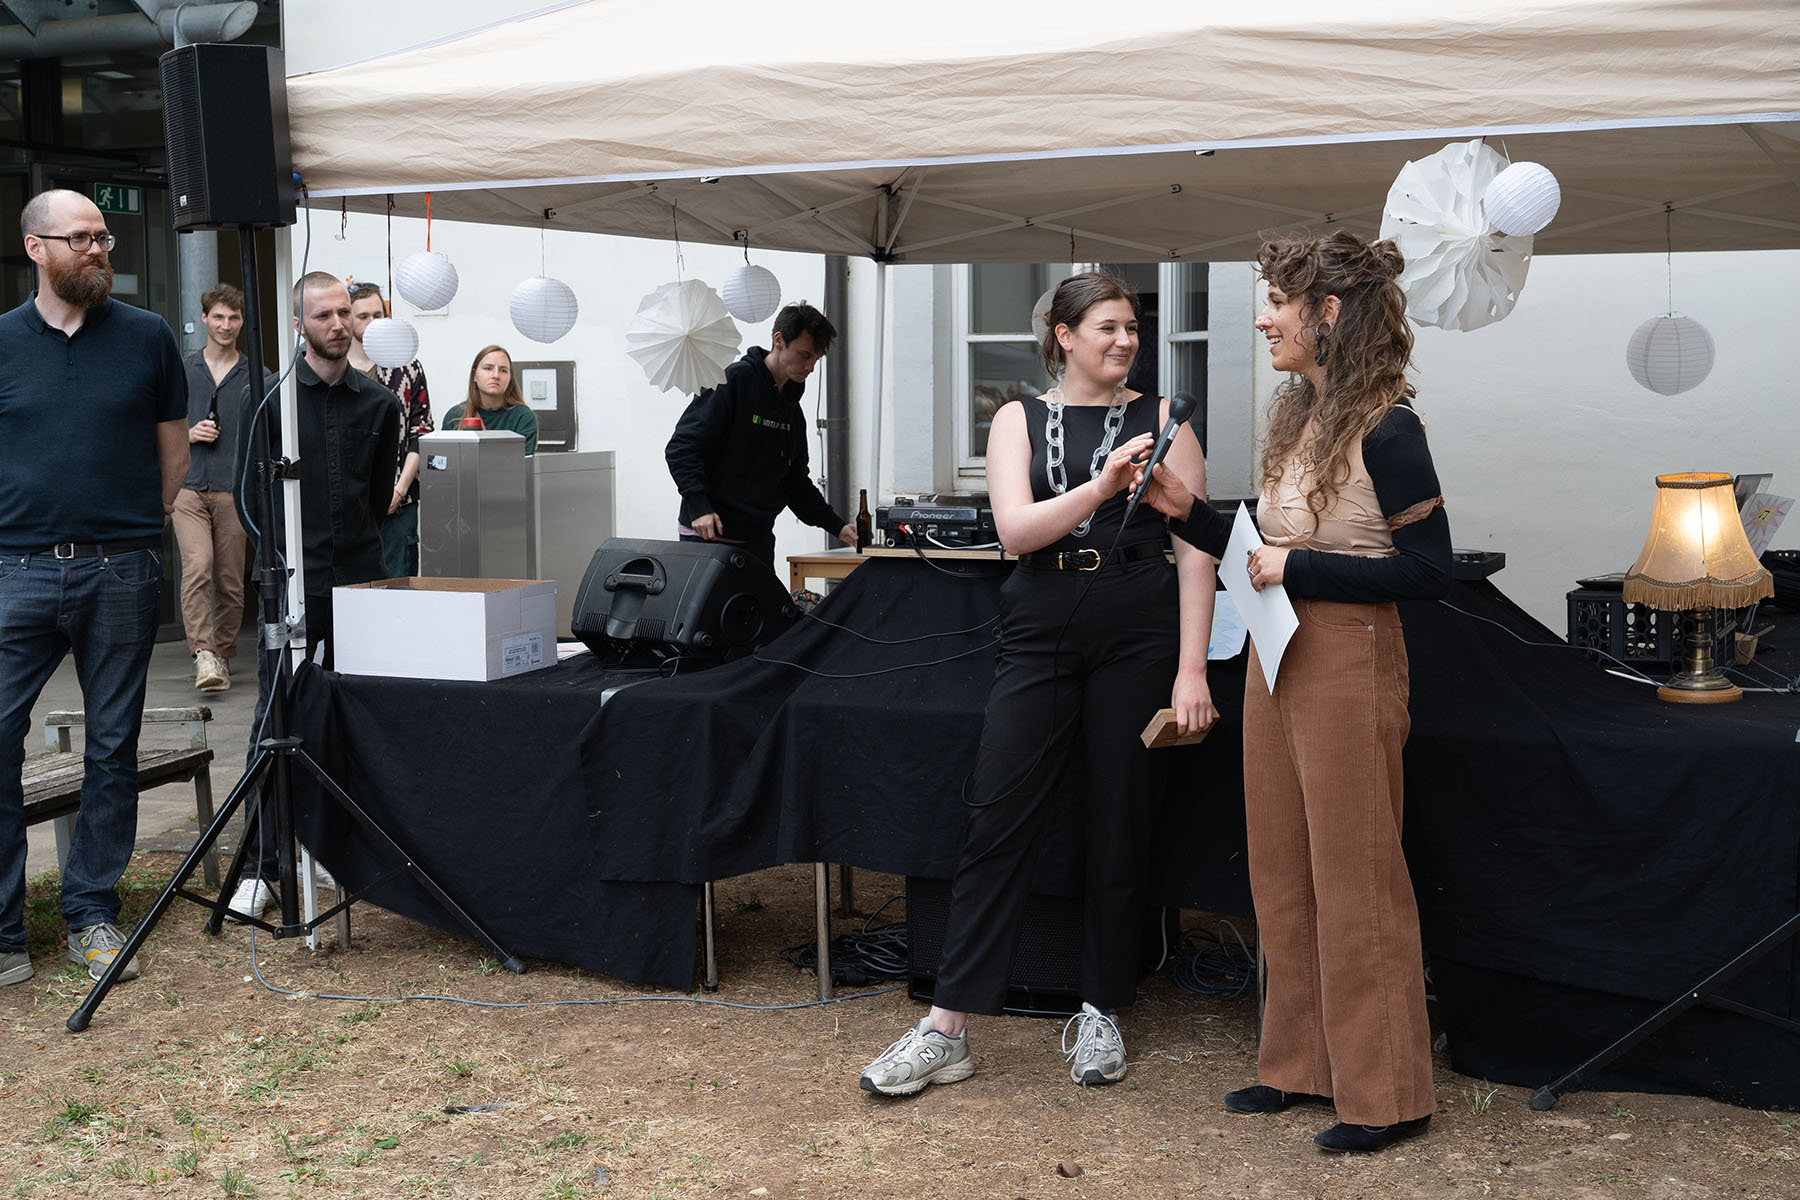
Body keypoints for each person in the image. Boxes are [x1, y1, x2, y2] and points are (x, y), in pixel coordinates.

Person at [859, 272, 1217, 1095]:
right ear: (1064, 335)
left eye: (1132, 327)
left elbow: (1197, 548)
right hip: (1040, 622)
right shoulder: (1017, 418)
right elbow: (1017, 532)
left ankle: (1100, 1009)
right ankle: (947, 1026)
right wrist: (1101, 486)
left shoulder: (1167, 418)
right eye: (1107, 326)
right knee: (998, 814)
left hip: (1139, 623)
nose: (1125, 340)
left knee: (1119, 818)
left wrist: (1192, 667)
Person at [1138, 230, 1452, 1153]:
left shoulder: (1390, 427)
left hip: (1350, 655)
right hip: (1276, 655)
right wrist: (1186, 513)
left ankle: (1386, 1094)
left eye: (1278, 302)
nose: (1263, 319)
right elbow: (1263, 553)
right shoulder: (1300, 415)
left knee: (1356, 874)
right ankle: (1300, 1066)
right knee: (1281, 867)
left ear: (1329, 312)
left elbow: (1430, 570)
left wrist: (1300, 567)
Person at [0, 189, 188, 986]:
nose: (98, 249)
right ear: (36, 248)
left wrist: (136, 526)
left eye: (103, 236)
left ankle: (90, 914)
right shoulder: (2, 342)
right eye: (80, 238)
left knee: (112, 746)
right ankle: (5, 933)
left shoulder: (147, 337)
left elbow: (174, 452)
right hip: (15, 569)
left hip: (121, 568)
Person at [227, 271, 401, 918]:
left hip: (357, 583)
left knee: (350, 716)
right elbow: (247, 498)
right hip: (288, 586)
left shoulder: (379, 404)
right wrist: (281, 566)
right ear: (298, 323)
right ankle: (263, 864)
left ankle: (335, 850)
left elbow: (377, 499)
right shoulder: (270, 399)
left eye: (344, 314)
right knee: (274, 720)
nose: (337, 324)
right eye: (323, 315)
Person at [664, 303, 855, 570]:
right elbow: (682, 447)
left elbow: (795, 481)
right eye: (804, 355)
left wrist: (837, 526)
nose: (810, 367)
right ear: (779, 340)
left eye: (816, 359)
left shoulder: (792, 411)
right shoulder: (733, 381)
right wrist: (699, 507)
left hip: (757, 539)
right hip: (708, 536)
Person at [173, 283, 257, 693]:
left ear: (242, 322)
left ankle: (221, 654)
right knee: (198, 566)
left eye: (234, 318)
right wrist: (188, 434)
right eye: (218, 317)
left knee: (230, 580)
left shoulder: (257, 375)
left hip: (232, 488)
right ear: (204, 318)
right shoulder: (182, 369)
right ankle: (203, 653)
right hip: (187, 486)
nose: (226, 325)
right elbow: (155, 425)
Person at [347, 282, 433, 577]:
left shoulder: (406, 365)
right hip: (349, 504)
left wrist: (399, 489)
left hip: (400, 502)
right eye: (363, 316)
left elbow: (421, 432)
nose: (372, 322)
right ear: (348, 319)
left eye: (378, 315)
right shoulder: (335, 368)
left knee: (398, 587)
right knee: (352, 588)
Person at [440, 344, 537, 454]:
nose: (496, 375)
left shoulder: (522, 417)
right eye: (488, 368)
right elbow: (444, 460)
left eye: (503, 370)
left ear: (510, 378)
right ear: (474, 375)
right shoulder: (455, 415)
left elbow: (524, 462)